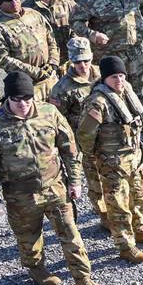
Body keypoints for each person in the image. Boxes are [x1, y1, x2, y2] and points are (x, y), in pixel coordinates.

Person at [0, 72, 107, 285]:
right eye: (17, 99)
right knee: (28, 236)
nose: (23, 105)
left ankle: (83, 279)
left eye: (28, 98)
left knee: (70, 233)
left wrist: (75, 180)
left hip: (54, 187)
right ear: (8, 98)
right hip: (20, 195)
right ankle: (36, 268)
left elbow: (69, 148)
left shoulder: (49, 113)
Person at [76, 56, 143, 263]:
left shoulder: (126, 92)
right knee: (118, 206)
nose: (118, 80)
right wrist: (97, 158)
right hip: (113, 164)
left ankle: (142, 229)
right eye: (113, 76)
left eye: (121, 75)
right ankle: (126, 246)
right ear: (105, 78)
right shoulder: (97, 103)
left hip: (134, 159)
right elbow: (85, 135)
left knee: (141, 197)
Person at [70, 0, 143, 132]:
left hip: (134, 50)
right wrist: (92, 34)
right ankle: (116, 126)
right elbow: (75, 22)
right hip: (108, 55)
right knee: (110, 90)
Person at [49, 37, 107, 223]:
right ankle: (104, 214)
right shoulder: (61, 89)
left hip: (108, 136)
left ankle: (130, 204)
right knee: (95, 179)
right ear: (71, 62)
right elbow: (58, 122)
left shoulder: (103, 75)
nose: (83, 66)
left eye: (86, 61)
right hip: (84, 141)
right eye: (78, 62)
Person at [0, 0, 59, 100]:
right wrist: (35, 72)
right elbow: (2, 58)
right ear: (1, 3)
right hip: (27, 83)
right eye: (8, 0)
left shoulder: (33, 14)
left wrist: (53, 62)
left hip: (50, 75)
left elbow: (50, 37)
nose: (14, 2)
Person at [23, 0, 75, 67]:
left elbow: (79, 24)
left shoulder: (67, 3)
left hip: (70, 57)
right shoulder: (26, 8)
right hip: (46, 61)